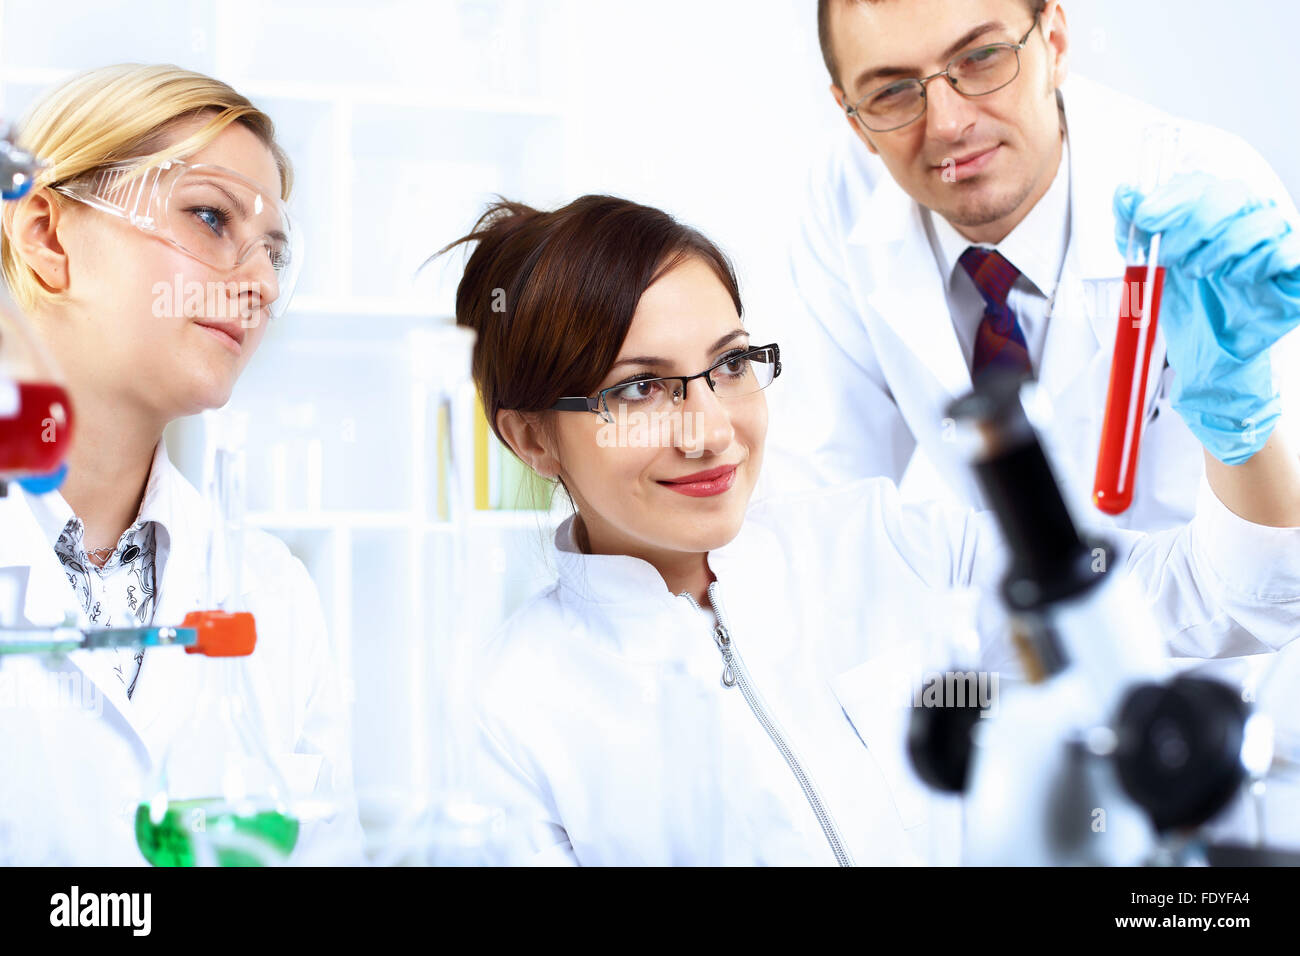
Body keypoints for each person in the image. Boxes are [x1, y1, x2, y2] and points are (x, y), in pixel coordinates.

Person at [443, 192, 1300, 865]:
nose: (708, 430)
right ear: (530, 436)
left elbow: (1220, 598)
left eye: (730, 365)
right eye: (638, 388)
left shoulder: (880, 544)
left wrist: (1237, 413)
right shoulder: (520, 707)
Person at [0, 64, 362, 864]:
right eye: (209, 217)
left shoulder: (274, 592)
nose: (261, 284)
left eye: (275, 252)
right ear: (47, 237)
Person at [776, 0, 1298, 535]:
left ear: (1055, 42)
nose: (950, 125)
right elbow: (827, 503)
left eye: (982, 57)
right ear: (855, 120)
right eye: (891, 91)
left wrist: (1239, 428)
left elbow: (1269, 571)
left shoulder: (1212, 212)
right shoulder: (843, 198)